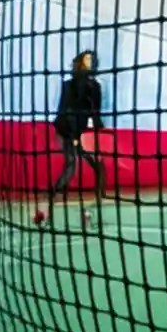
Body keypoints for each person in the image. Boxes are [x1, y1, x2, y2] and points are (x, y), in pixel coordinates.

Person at [34, 49, 107, 227]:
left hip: (79, 133)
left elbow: (95, 115)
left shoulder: (95, 87)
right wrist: (74, 135)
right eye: (85, 59)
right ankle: (47, 205)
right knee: (71, 164)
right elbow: (64, 111)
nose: (88, 63)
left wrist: (98, 129)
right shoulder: (69, 85)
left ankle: (90, 212)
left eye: (91, 60)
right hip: (65, 130)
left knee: (98, 167)